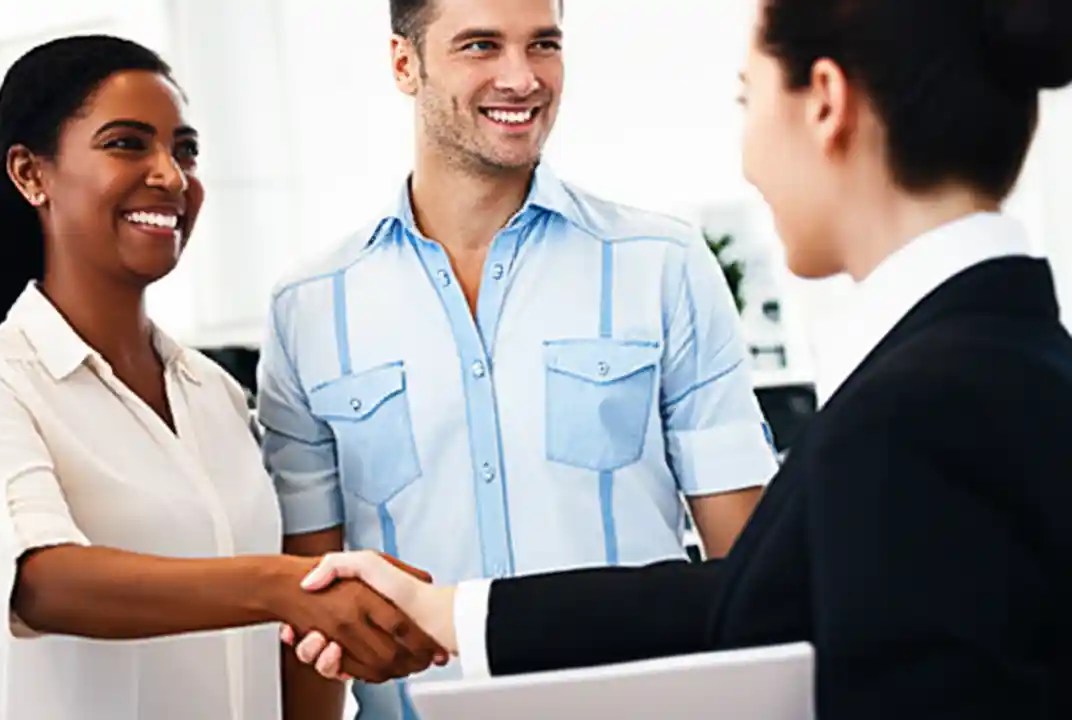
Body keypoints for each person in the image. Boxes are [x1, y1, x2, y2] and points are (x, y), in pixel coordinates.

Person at [289, 0, 1072, 717]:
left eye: (745, 98)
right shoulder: (977, 373)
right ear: (405, 62)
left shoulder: (917, 410)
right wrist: (455, 613)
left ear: (825, 103)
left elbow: (770, 609)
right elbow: (763, 597)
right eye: (480, 45)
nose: (747, 160)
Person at [258, 0, 779, 715]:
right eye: (480, 46)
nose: (522, 77)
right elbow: (314, 599)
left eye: (543, 45)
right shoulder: (309, 308)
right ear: (404, 64)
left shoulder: (661, 265)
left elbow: (750, 565)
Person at [0, 35, 440, 720]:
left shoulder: (213, 393)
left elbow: (282, 632)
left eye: (185, 151)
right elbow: (39, 581)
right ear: (30, 173)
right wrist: (282, 585)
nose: (170, 175)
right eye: (128, 144)